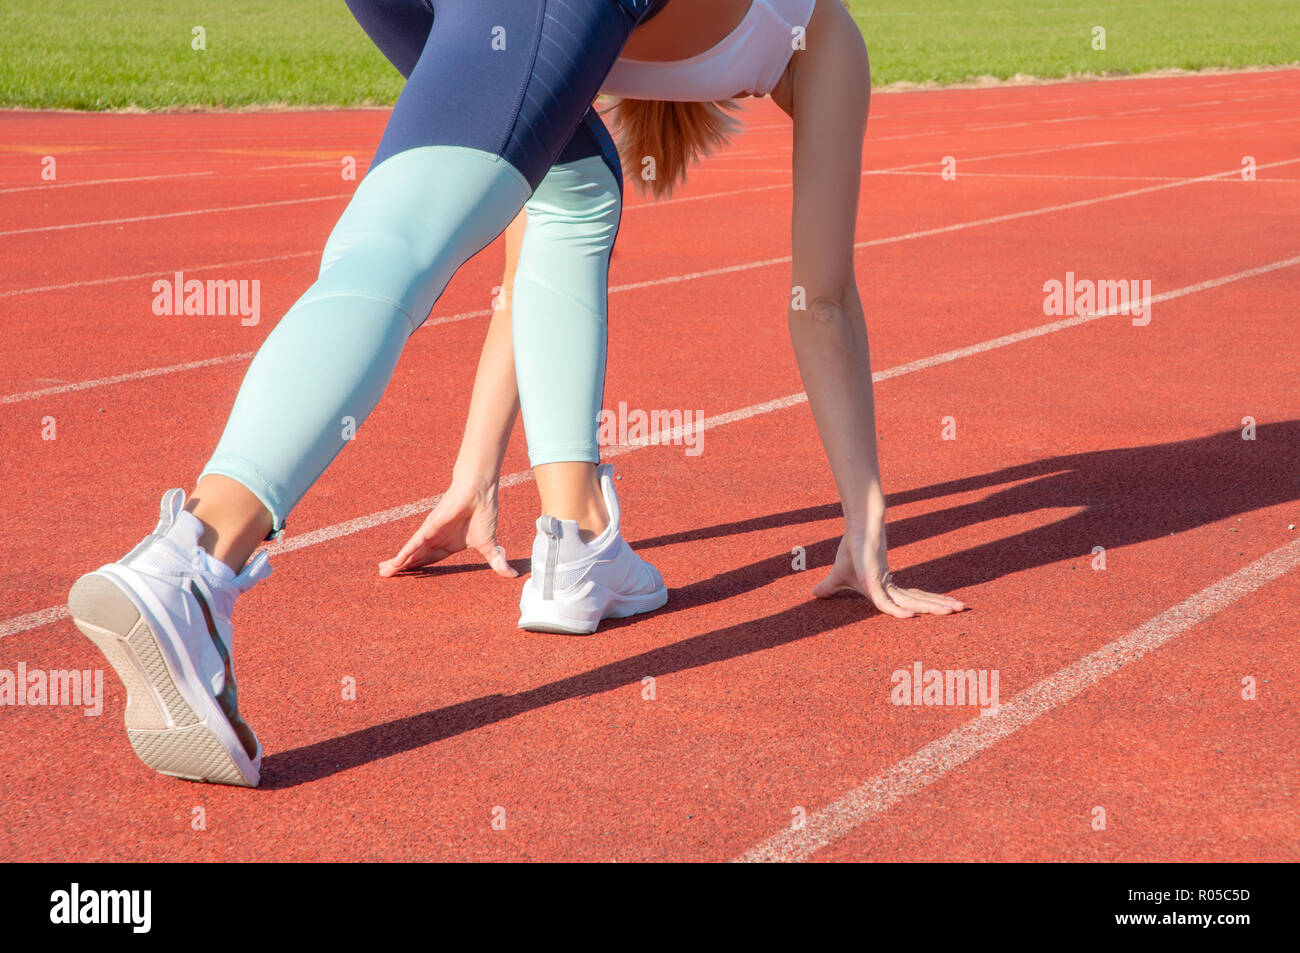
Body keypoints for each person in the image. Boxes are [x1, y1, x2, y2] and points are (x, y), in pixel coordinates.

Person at [69, 0, 675, 788]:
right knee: (396, 249)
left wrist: (475, 472)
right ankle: (194, 560)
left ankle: (581, 536)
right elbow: (825, 294)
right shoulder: (803, 28)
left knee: (572, 181)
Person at [382, 0, 969, 626]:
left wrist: (474, 478)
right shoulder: (822, 31)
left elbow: (527, 281)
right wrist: (865, 522)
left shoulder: (589, 37)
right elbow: (821, 304)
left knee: (554, 228)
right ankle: (576, 544)